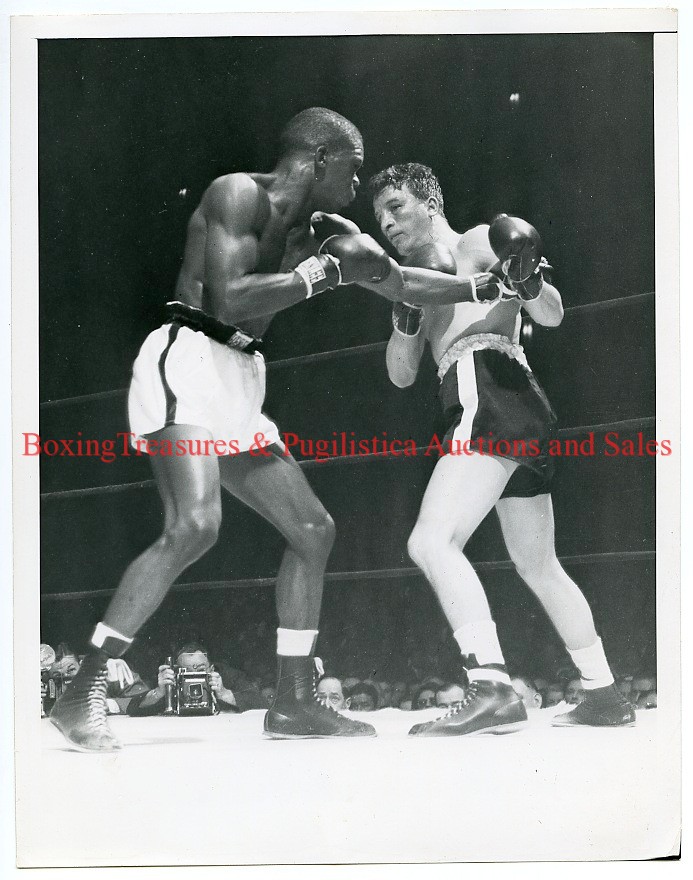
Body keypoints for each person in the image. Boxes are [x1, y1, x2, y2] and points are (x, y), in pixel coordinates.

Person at [49, 107, 398, 750]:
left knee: (313, 530)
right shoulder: (238, 194)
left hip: (242, 377)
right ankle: (83, 688)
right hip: (190, 355)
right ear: (321, 157)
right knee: (195, 525)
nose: (359, 183)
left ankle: (293, 701)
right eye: (354, 166)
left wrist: (484, 287)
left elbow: (401, 282)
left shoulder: (323, 230)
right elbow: (229, 298)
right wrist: (322, 275)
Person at [364, 162, 635, 736]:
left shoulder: (479, 242)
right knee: (538, 563)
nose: (387, 223)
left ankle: (490, 685)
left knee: (431, 540)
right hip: (509, 409)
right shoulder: (413, 278)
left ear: (430, 203)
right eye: (379, 215)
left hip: (486, 385)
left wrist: (527, 275)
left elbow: (551, 313)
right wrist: (407, 315)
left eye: (397, 207)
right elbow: (399, 374)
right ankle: (605, 692)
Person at [127, 642, 237, 715]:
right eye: (187, 672)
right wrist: (160, 692)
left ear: (212, 669)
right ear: (175, 672)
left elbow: (253, 698)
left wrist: (224, 693)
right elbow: (133, 707)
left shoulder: (223, 681)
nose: (194, 676)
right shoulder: (173, 689)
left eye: (200, 670)